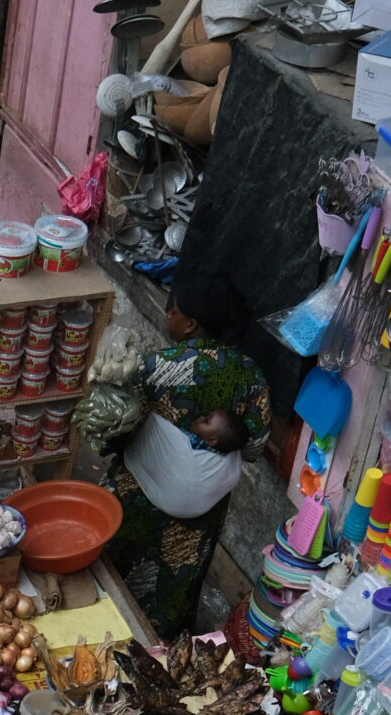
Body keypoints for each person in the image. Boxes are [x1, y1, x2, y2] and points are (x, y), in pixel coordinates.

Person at [105, 269, 272, 637]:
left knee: (117, 568)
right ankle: (161, 646)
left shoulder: (158, 367)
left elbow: (118, 430)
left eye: (174, 311)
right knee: (173, 583)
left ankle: (106, 629)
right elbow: (255, 448)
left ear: (191, 326)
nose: (169, 316)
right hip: (198, 517)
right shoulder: (252, 377)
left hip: (138, 497)